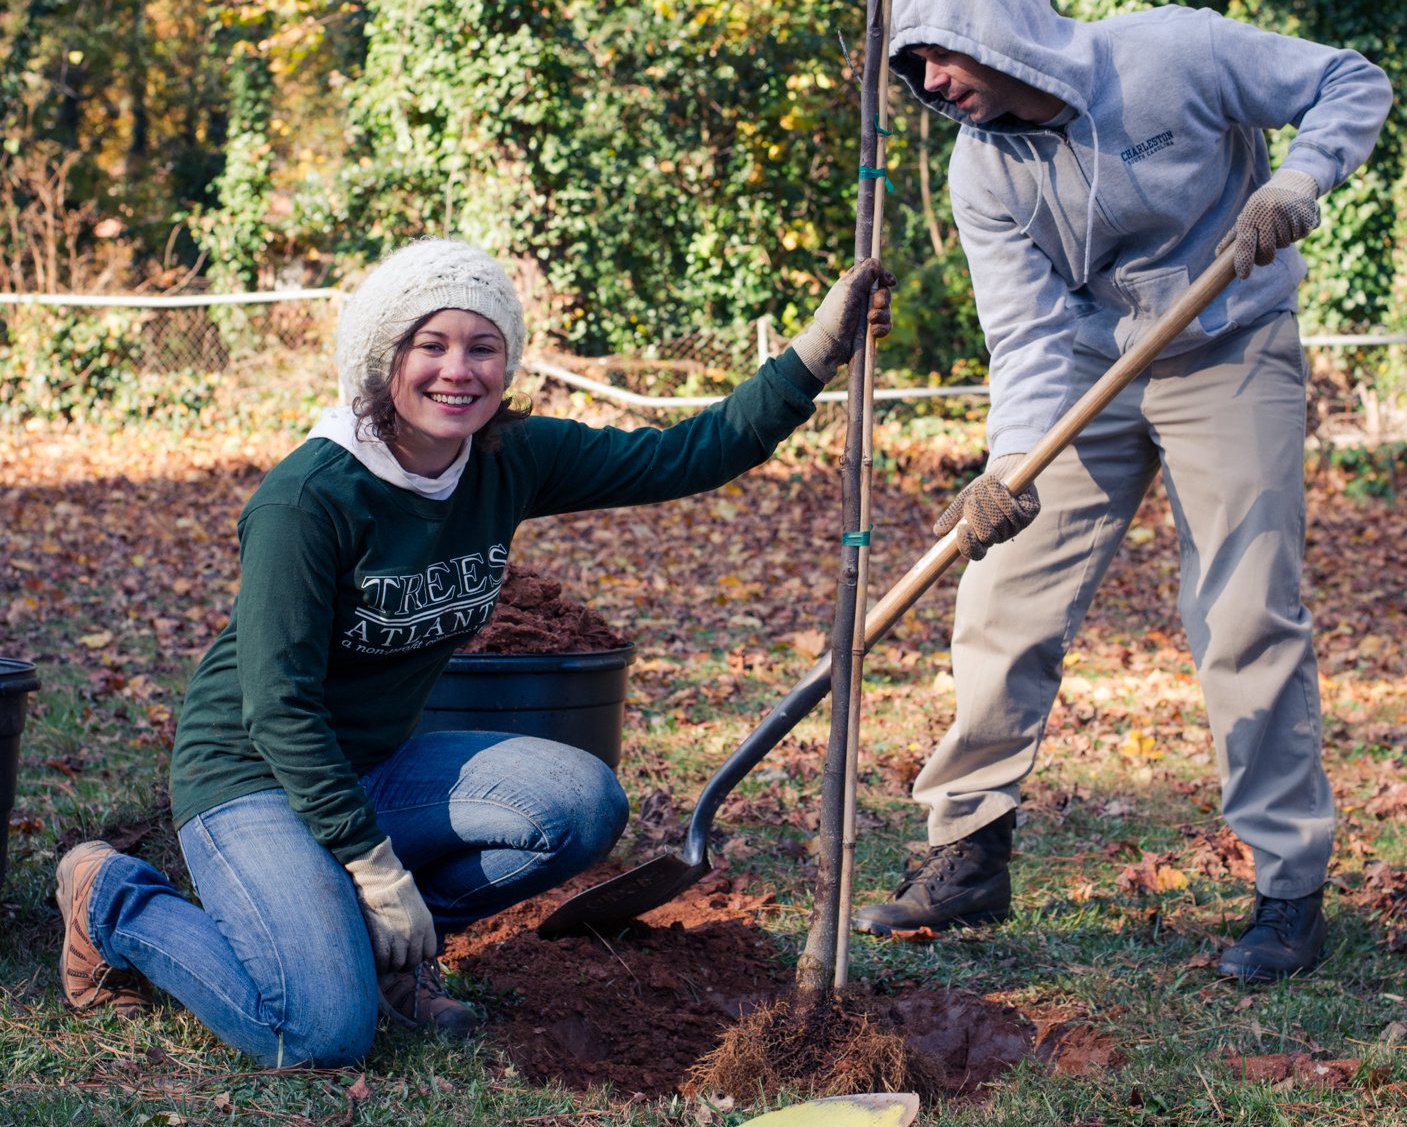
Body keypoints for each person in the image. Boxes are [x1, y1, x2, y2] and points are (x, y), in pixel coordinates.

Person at [56, 237, 891, 1064]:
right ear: (385, 357)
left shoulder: (506, 457)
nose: (459, 370)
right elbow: (278, 708)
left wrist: (816, 353)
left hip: (375, 765)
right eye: (432, 344)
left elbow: (688, 454)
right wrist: (374, 867)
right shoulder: (309, 499)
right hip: (255, 778)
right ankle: (115, 900)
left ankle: (388, 958)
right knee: (316, 1034)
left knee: (579, 801)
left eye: (482, 347)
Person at [853, 0, 1391, 982]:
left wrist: (1300, 180)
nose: (935, 76)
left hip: (1228, 346)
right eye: (914, 62)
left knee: (1244, 606)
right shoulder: (982, 167)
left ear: (1000, 27)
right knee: (1001, 586)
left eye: (945, 48)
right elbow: (1025, 334)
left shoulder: (1171, 54)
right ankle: (969, 846)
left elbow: (1349, 80)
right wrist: (1009, 468)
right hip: (1091, 371)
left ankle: (1288, 888)